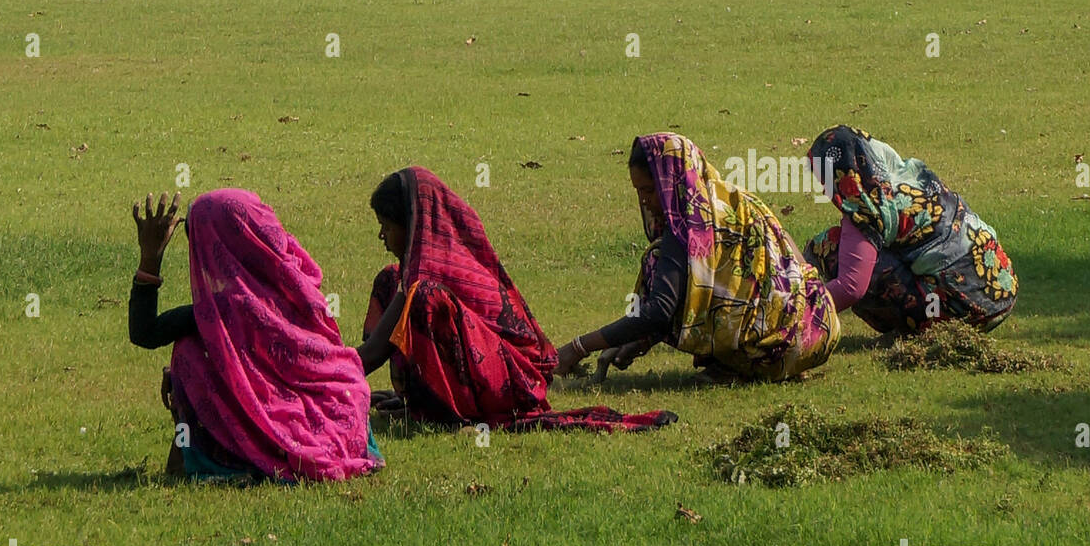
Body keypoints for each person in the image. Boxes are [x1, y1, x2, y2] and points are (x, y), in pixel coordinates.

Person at [359, 167, 674, 432]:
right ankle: (418, 399)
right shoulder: (424, 268)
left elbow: (372, 354)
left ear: (412, 226)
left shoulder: (427, 277)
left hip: (513, 384)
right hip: (483, 364)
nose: (382, 237)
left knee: (423, 298)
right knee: (391, 278)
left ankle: (440, 410)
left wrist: (324, 376)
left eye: (386, 227)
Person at [129, 189, 382, 482]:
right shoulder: (301, 291)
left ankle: (213, 456)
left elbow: (144, 333)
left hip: (270, 432)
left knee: (189, 351)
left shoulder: (219, 314)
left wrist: (150, 259)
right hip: (341, 419)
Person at [554, 134, 839, 383]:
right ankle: (771, 357)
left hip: (773, 349)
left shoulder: (689, 227)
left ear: (669, 183)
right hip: (818, 327)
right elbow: (798, 262)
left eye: (649, 190)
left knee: (657, 264)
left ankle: (738, 365)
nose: (643, 201)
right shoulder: (734, 199)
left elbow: (659, 311)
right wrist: (638, 339)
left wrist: (578, 347)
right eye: (638, 192)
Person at [803, 126, 1017, 336]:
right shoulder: (912, 177)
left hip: (962, 312)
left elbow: (851, 287)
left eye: (826, 180)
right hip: (999, 296)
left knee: (829, 247)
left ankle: (919, 322)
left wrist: (800, 312)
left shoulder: (868, 211)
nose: (824, 189)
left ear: (845, 175)